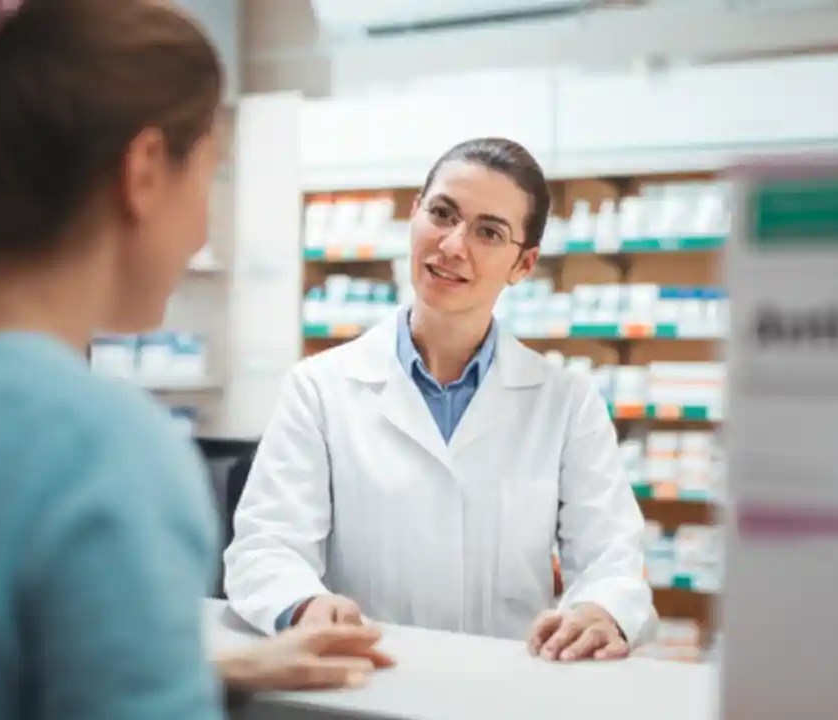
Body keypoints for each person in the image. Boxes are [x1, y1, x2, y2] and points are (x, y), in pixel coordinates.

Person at [0, 1, 390, 718]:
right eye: (209, 175)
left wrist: (197, 667)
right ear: (144, 171)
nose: (202, 224)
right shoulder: (103, 452)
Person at [224, 138, 655, 661]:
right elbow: (266, 546)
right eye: (442, 213)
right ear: (413, 216)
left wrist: (601, 610)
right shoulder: (318, 388)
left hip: (506, 691)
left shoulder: (566, 403)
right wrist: (304, 604)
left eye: (489, 232)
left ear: (523, 265)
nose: (453, 245)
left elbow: (611, 558)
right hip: (364, 685)